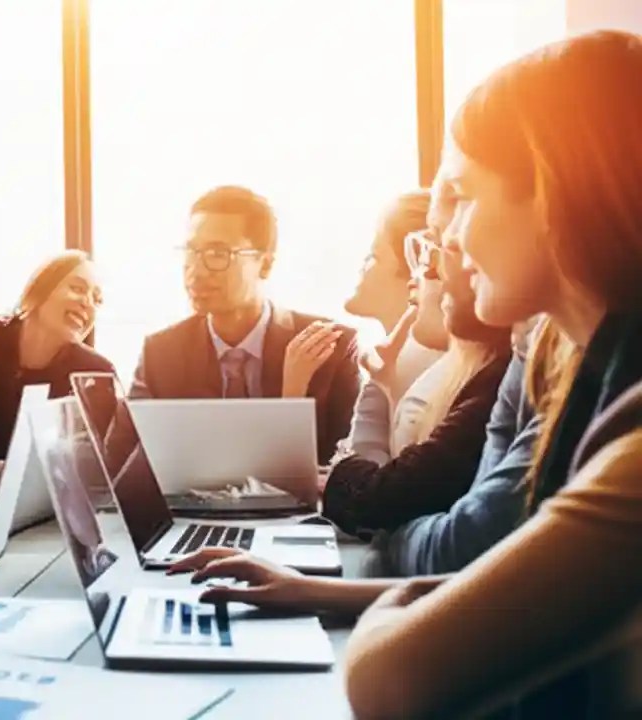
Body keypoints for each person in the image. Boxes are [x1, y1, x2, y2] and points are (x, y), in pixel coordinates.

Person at [186, 31, 642, 717]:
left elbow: (388, 681)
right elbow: (509, 592)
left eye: (462, 195)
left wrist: (394, 589)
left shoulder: (630, 434)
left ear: (555, 190)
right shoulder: (580, 374)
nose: (448, 239)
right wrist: (319, 591)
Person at [322, 185, 514, 536]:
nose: (419, 278)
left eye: (432, 255)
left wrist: (379, 391)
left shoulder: (492, 378)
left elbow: (383, 503)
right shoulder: (460, 370)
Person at [129, 185, 361, 462]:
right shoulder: (161, 354)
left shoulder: (328, 347)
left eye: (217, 253)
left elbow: (345, 467)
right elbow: (125, 464)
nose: (196, 270)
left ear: (265, 264)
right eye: (191, 251)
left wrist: (291, 402)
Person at [0, 250, 114, 490]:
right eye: (77, 288)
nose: (87, 303)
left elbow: (99, 464)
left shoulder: (96, 373)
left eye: (97, 300)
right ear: (40, 289)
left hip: (42, 498)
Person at [343, 189, 443, 404]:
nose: (363, 264)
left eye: (375, 255)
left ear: (415, 275)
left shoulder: (412, 372)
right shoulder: (393, 362)